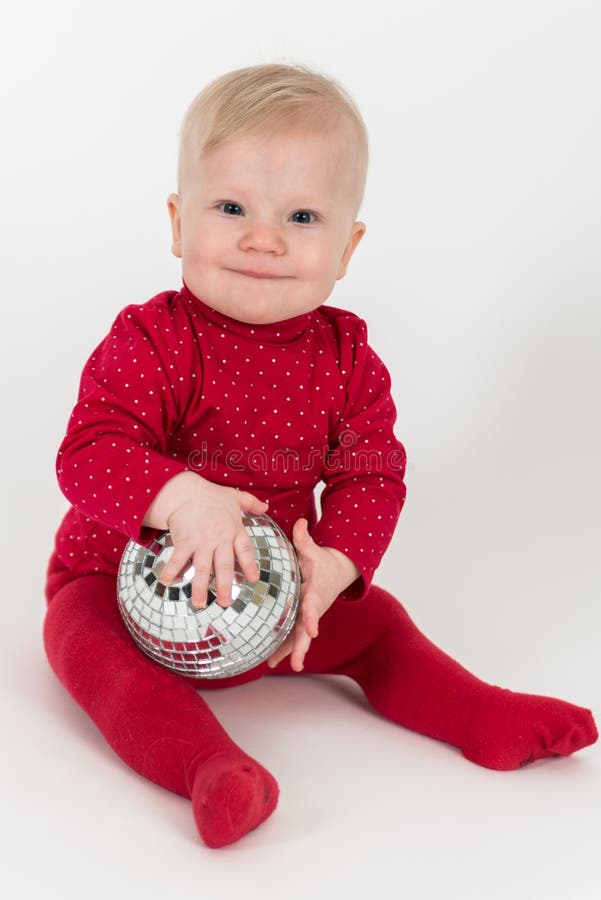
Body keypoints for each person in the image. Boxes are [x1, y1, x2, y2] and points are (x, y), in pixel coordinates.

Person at [43, 62, 598, 850]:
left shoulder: (348, 359)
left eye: (302, 216)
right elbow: (89, 452)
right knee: (89, 656)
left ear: (348, 245)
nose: (262, 237)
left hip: (281, 600)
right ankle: (210, 768)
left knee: (380, 628)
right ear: (175, 222)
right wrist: (183, 498)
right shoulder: (151, 339)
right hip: (119, 584)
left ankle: (477, 711)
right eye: (229, 206)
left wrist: (334, 565)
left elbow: (372, 472)